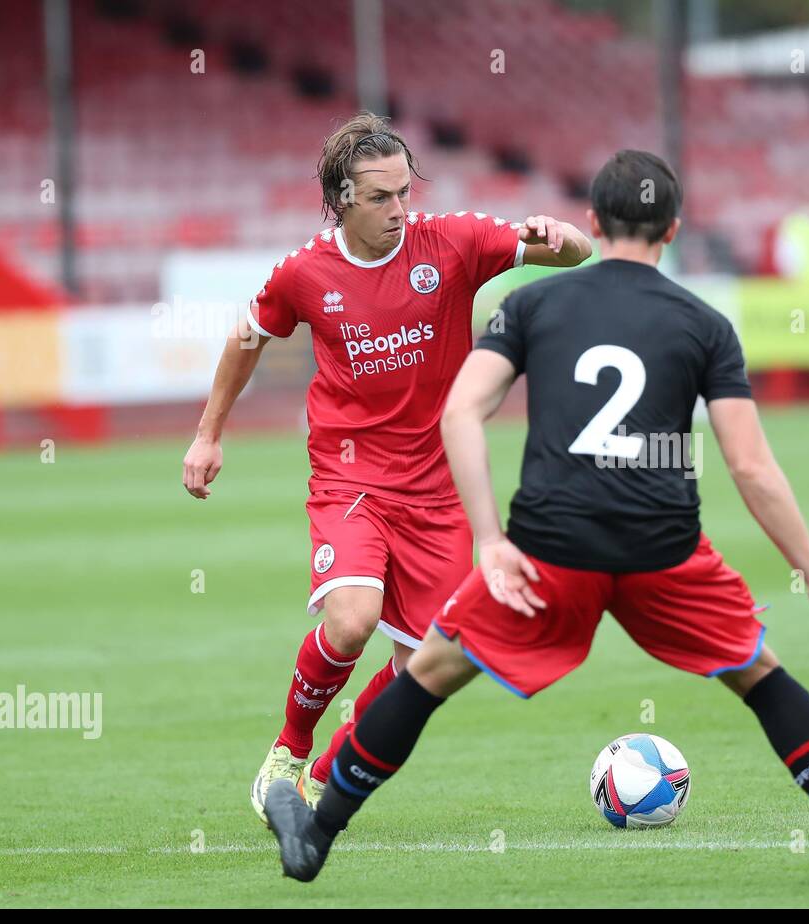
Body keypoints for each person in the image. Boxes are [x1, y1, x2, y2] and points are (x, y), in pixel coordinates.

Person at [264, 149, 809, 885]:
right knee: (760, 673)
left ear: (594, 223)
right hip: (664, 550)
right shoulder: (705, 324)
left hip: (551, 551)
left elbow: (463, 412)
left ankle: (315, 834)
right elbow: (752, 467)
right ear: (673, 229)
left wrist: (491, 538)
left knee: (429, 672)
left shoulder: (534, 306)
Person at [181, 112, 591, 823]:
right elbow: (248, 336)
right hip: (352, 476)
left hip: (439, 489)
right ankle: (287, 752)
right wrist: (207, 434)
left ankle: (330, 768)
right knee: (352, 619)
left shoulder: (453, 242)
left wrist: (561, 234)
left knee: (419, 670)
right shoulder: (307, 272)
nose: (400, 209)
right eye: (380, 197)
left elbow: (574, 252)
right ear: (341, 197)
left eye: (405, 191)